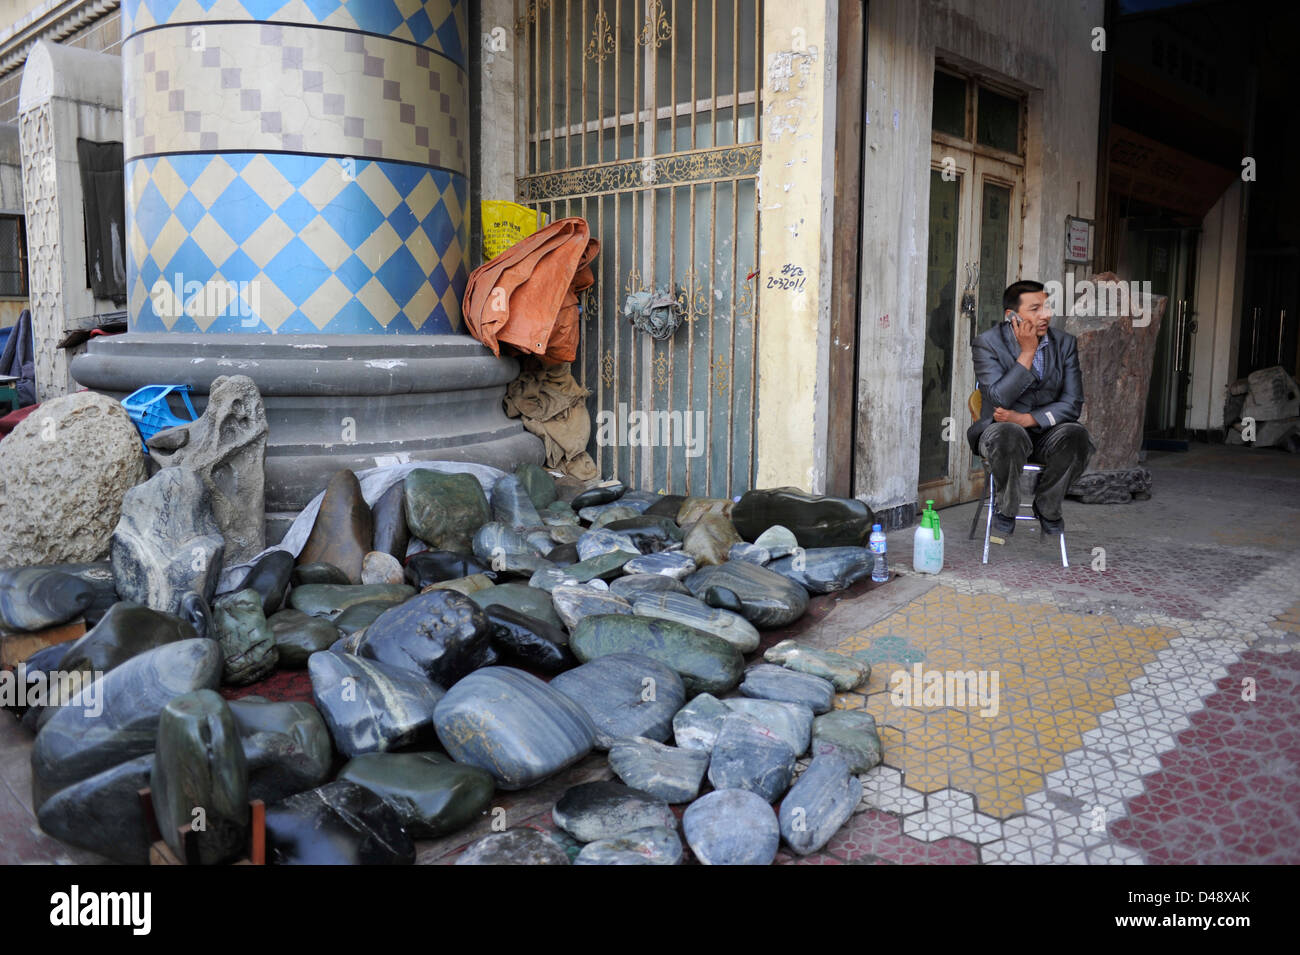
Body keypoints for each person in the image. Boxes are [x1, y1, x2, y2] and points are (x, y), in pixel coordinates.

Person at [967, 280, 1094, 536]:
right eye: (1035, 309)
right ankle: (1006, 507)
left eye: (1046, 307)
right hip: (1001, 432)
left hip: (1048, 433)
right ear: (1011, 316)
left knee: (1077, 436)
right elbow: (998, 398)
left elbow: (1073, 403)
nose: (1046, 315)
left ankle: (1048, 506)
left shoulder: (1064, 344)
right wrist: (1027, 353)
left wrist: (1028, 419)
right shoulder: (987, 344)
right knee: (1007, 433)